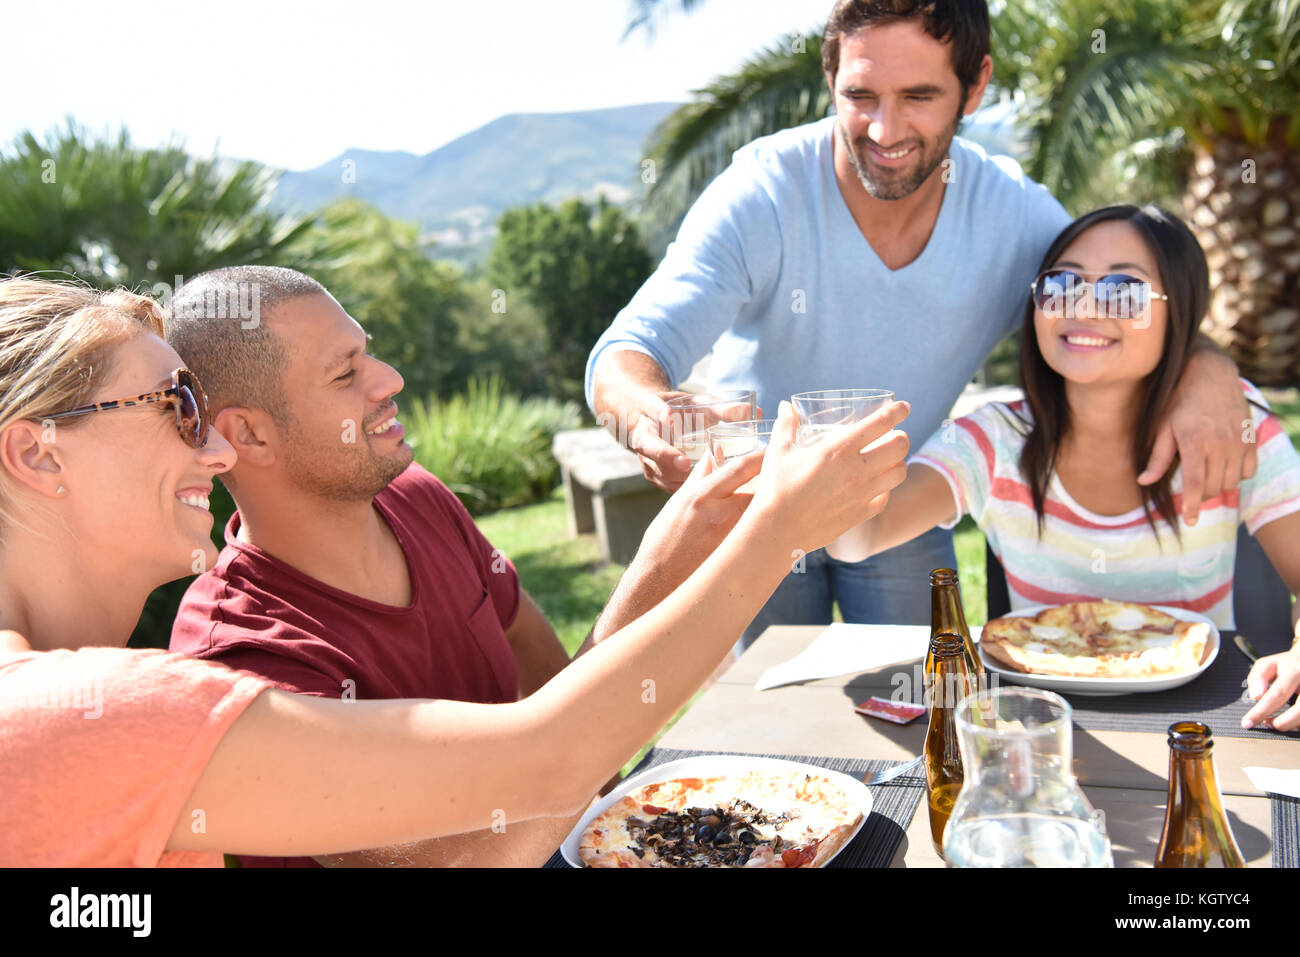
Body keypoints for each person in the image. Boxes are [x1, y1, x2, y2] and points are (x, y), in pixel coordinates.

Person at [0, 275, 912, 866]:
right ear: (38, 457)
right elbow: (532, 776)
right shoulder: (147, 690)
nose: (200, 443)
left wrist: (684, 533)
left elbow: (561, 715)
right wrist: (773, 535)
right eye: (173, 405)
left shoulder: (416, 501)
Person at [586, 0, 1254, 649]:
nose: (883, 129)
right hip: (753, 505)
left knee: (922, 709)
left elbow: (1126, 305)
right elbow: (625, 354)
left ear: (976, 86)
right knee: (769, 724)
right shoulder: (762, 194)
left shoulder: (1014, 214)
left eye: (919, 96)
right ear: (831, 80)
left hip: (898, 500)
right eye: (861, 95)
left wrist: (1210, 373)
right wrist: (655, 413)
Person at [162, 266, 780, 867]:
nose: (390, 380)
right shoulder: (240, 657)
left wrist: (610, 825)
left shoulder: (416, 495)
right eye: (345, 373)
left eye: (367, 354)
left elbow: (546, 672)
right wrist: (685, 557)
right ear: (250, 434)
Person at [822, 204, 1300, 731]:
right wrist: (827, 477)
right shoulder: (991, 440)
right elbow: (858, 541)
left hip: (1206, 721)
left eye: (1124, 289)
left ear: (1178, 312)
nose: (1085, 306)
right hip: (1035, 728)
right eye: (1062, 284)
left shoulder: (1228, 428)